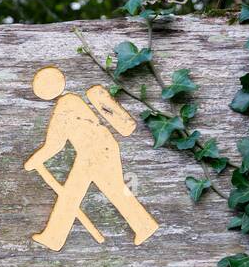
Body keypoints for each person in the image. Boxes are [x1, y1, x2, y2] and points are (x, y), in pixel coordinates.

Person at [23, 66, 159, 251]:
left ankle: (54, 237)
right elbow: (57, 143)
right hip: (100, 149)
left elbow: (55, 144)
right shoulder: (73, 100)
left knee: (77, 194)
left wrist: (34, 161)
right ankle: (144, 225)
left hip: (95, 153)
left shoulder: (66, 104)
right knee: (109, 191)